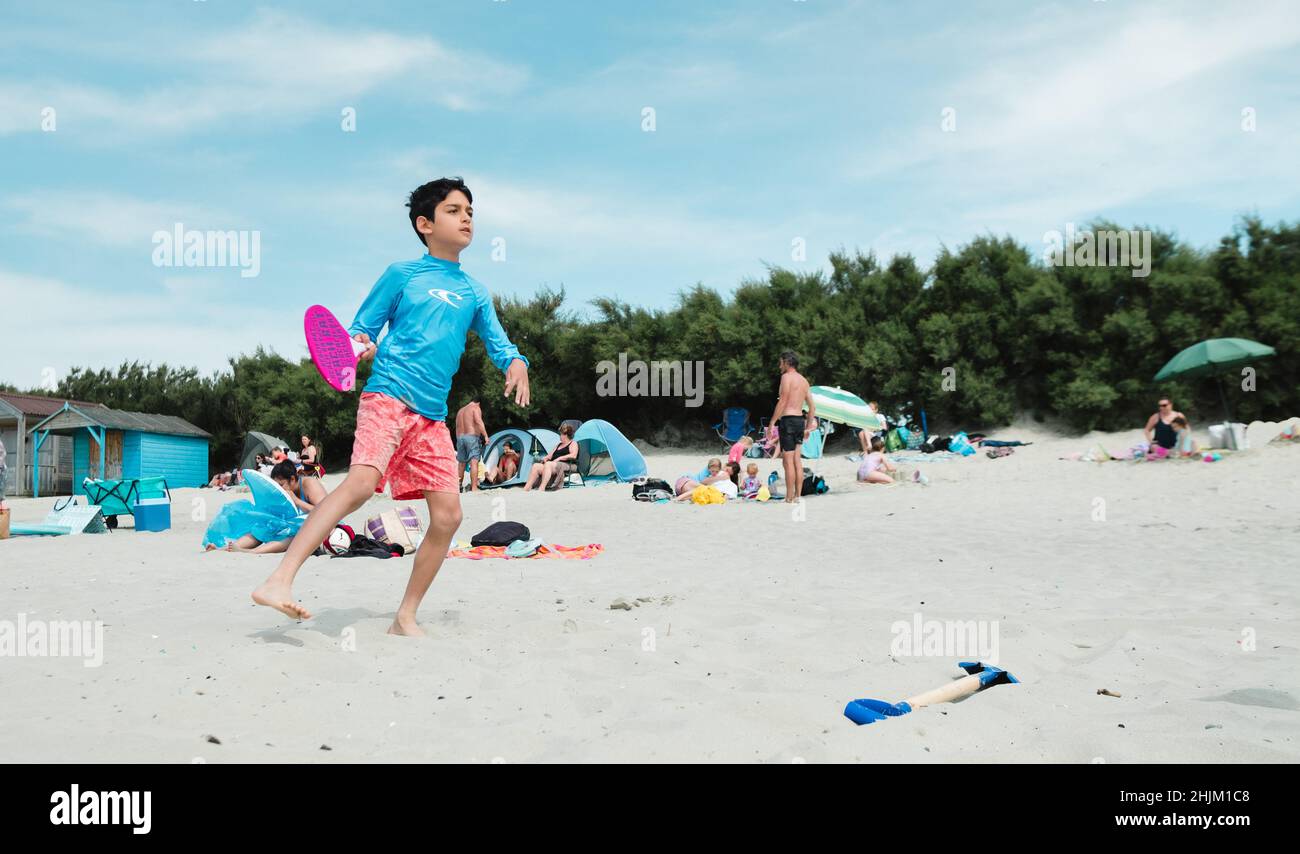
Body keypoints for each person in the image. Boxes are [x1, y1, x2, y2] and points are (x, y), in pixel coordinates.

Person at [251, 177, 532, 636]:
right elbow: (362, 330)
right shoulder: (402, 275)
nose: (465, 218)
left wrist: (517, 362)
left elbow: (500, 346)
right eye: (454, 210)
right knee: (361, 484)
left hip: (431, 418)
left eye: (470, 212)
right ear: (425, 224)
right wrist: (358, 345)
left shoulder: (475, 292)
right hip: (388, 396)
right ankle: (278, 580)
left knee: (449, 516)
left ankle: (404, 618)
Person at [212, 461, 330, 554]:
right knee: (264, 526)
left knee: (292, 535)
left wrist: (297, 501)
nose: (279, 489)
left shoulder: (310, 484)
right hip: (295, 524)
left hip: (321, 526)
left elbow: (326, 511)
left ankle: (253, 552)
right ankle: (224, 548)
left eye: (281, 485)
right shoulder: (284, 493)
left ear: (293, 479)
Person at [768, 350, 816, 504]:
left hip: (788, 420)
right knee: (797, 460)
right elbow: (812, 407)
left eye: (780, 362)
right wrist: (808, 427)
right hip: (799, 421)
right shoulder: (804, 380)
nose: (779, 365)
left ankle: (789, 497)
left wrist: (772, 422)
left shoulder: (786, 377)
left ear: (787, 362)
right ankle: (798, 496)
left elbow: (783, 400)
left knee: (787, 461)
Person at [523, 423, 578, 491]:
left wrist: (559, 458)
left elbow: (574, 455)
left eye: (560, 434)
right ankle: (527, 487)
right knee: (536, 466)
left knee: (548, 464)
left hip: (567, 464)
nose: (559, 436)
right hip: (552, 464)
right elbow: (549, 456)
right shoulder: (559, 445)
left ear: (565, 435)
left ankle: (542, 488)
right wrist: (545, 458)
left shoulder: (573, 443)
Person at [454, 399, 489, 491]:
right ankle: (474, 487)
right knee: (474, 462)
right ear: (479, 403)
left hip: (460, 437)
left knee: (461, 463)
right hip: (471, 437)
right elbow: (478, 421)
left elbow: (457, 426)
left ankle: (459, 486)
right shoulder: (475, 407)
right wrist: (485, 436)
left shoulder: (460, 411)